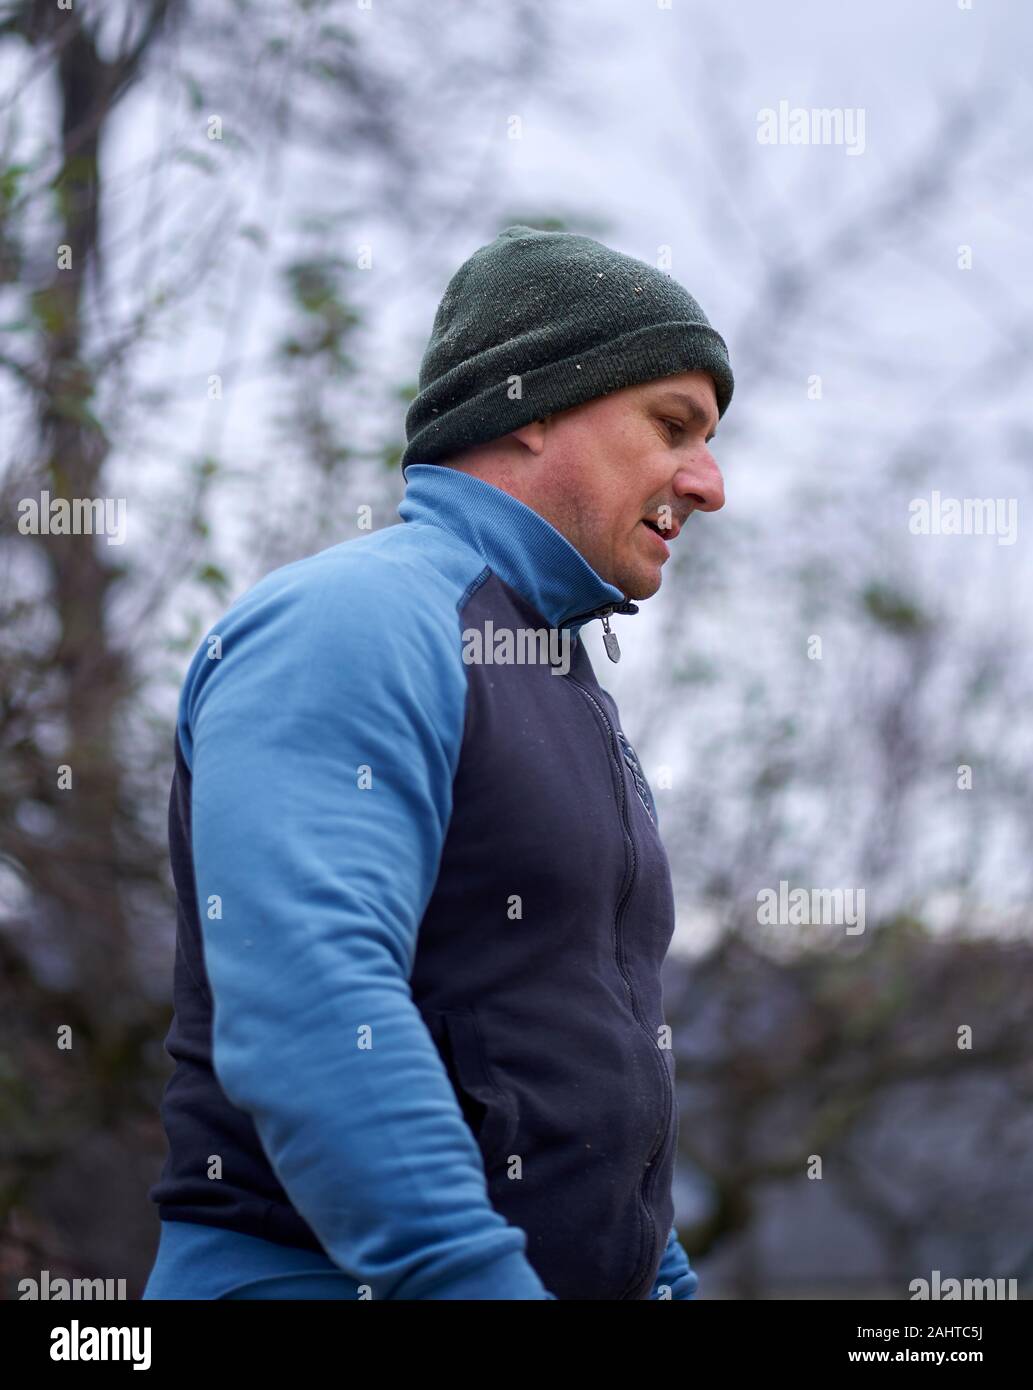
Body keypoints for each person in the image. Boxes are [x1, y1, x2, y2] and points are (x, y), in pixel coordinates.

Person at [141, 224, 733, 1300]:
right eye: (673, 425)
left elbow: (583, 1080)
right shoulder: (354, 620)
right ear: (531, 404)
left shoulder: (556, 680)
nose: (708, 481)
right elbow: (315, 998)